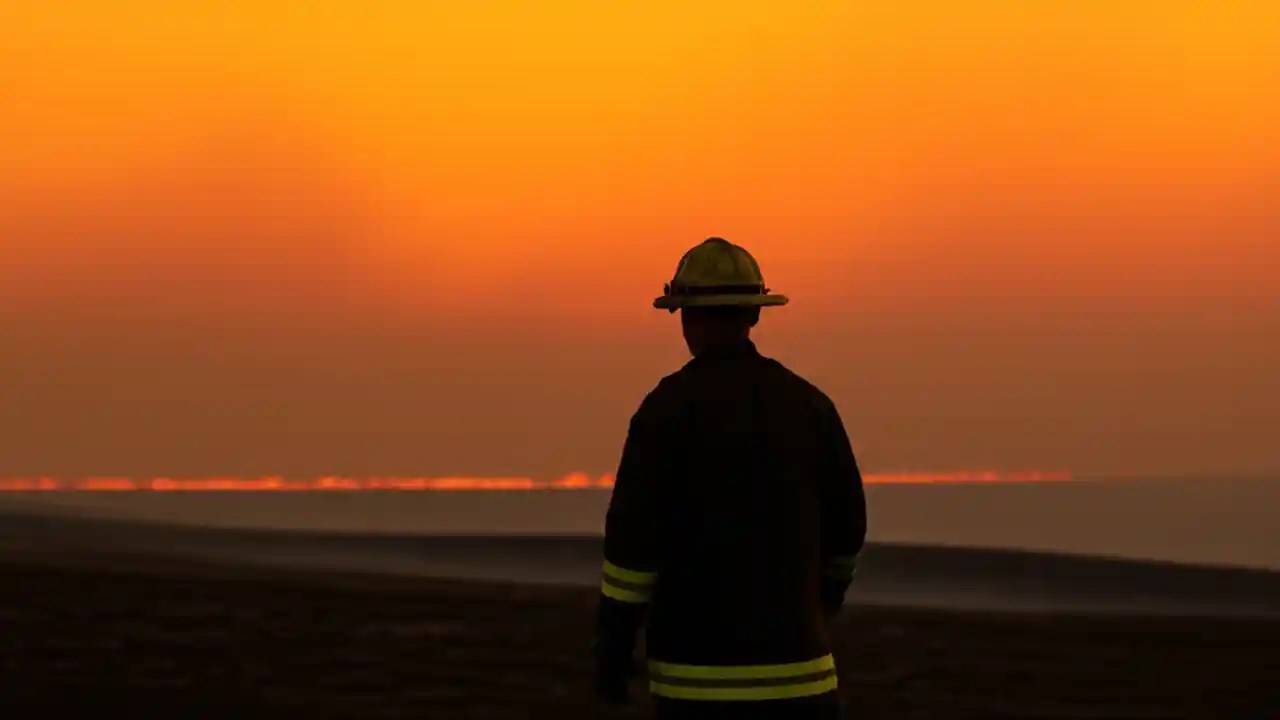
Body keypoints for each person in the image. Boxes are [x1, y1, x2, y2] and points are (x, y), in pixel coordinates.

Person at [593, 237, 867, 719]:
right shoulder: (810, 406)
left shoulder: (667, 410)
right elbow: (847, 531)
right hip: (803, 680)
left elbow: (630, 553)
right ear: (755, 314)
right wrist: (820, 604)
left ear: (685, 316)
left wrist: (612, 659)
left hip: (693, 685)